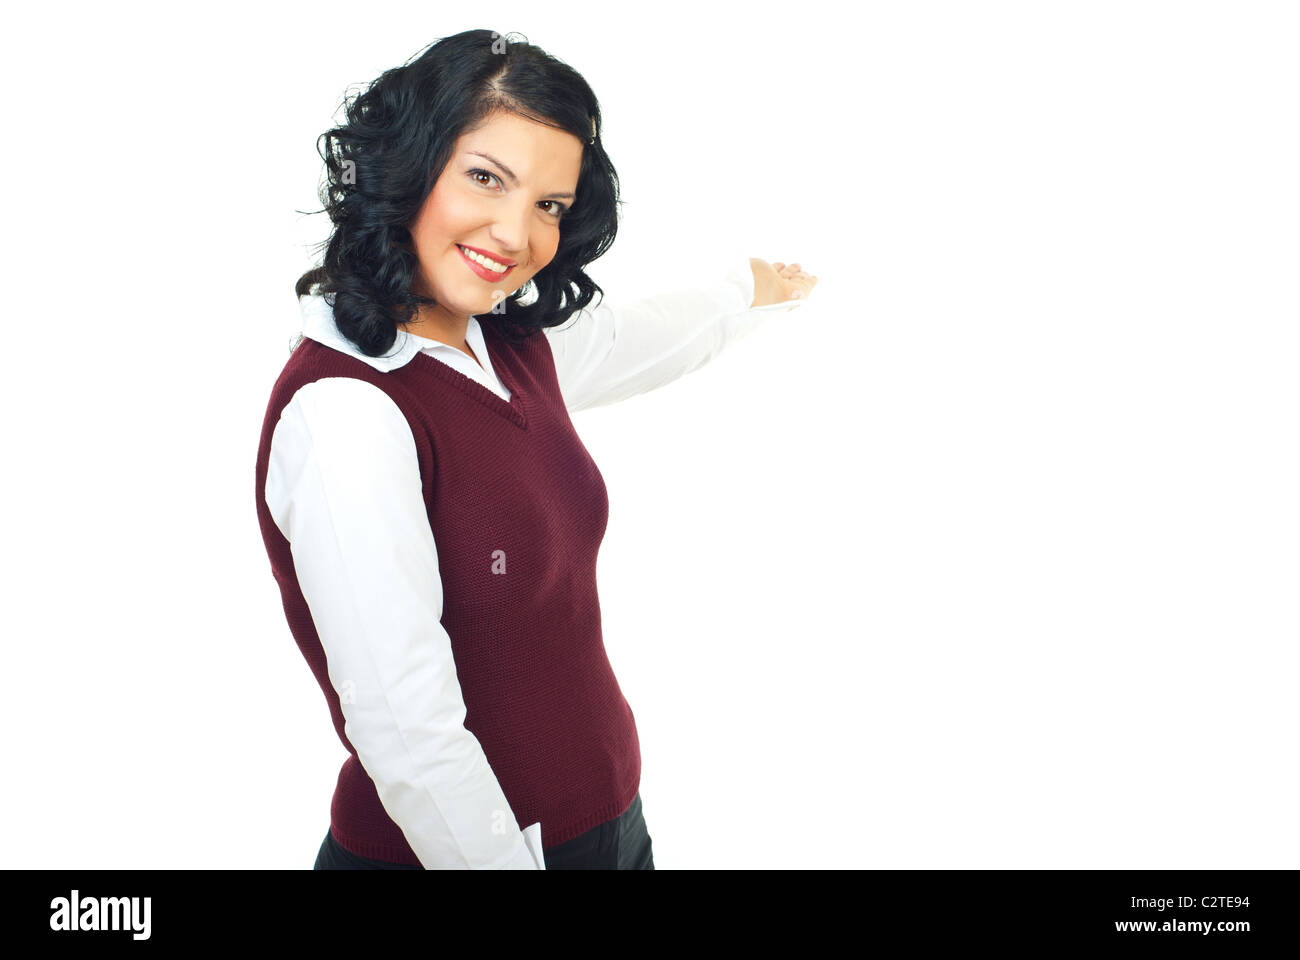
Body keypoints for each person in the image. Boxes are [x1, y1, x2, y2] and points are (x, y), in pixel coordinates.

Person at [253, 28, 817, 870]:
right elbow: (406, 728)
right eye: (486, 177)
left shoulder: (506, 349)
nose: (516, 234)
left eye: (549, 204)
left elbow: (638, 338)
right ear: (410, 165)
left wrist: (749, 291)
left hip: (610, 828)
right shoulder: (348, 412)